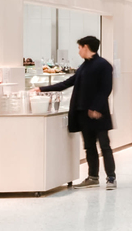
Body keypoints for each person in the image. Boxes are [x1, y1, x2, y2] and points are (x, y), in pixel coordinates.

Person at [39, 35, 116, 188]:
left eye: (79, 47)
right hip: (83, 113)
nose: (78, 51)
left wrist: (95, 108)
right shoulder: (84, 66)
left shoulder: (104, 65)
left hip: (98, 114)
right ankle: (93, 177)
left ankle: (111, 178)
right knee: (89, 146)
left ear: (86, 47)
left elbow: (105, 89)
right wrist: (42, 89)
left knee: (104, 146)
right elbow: (68, 83)